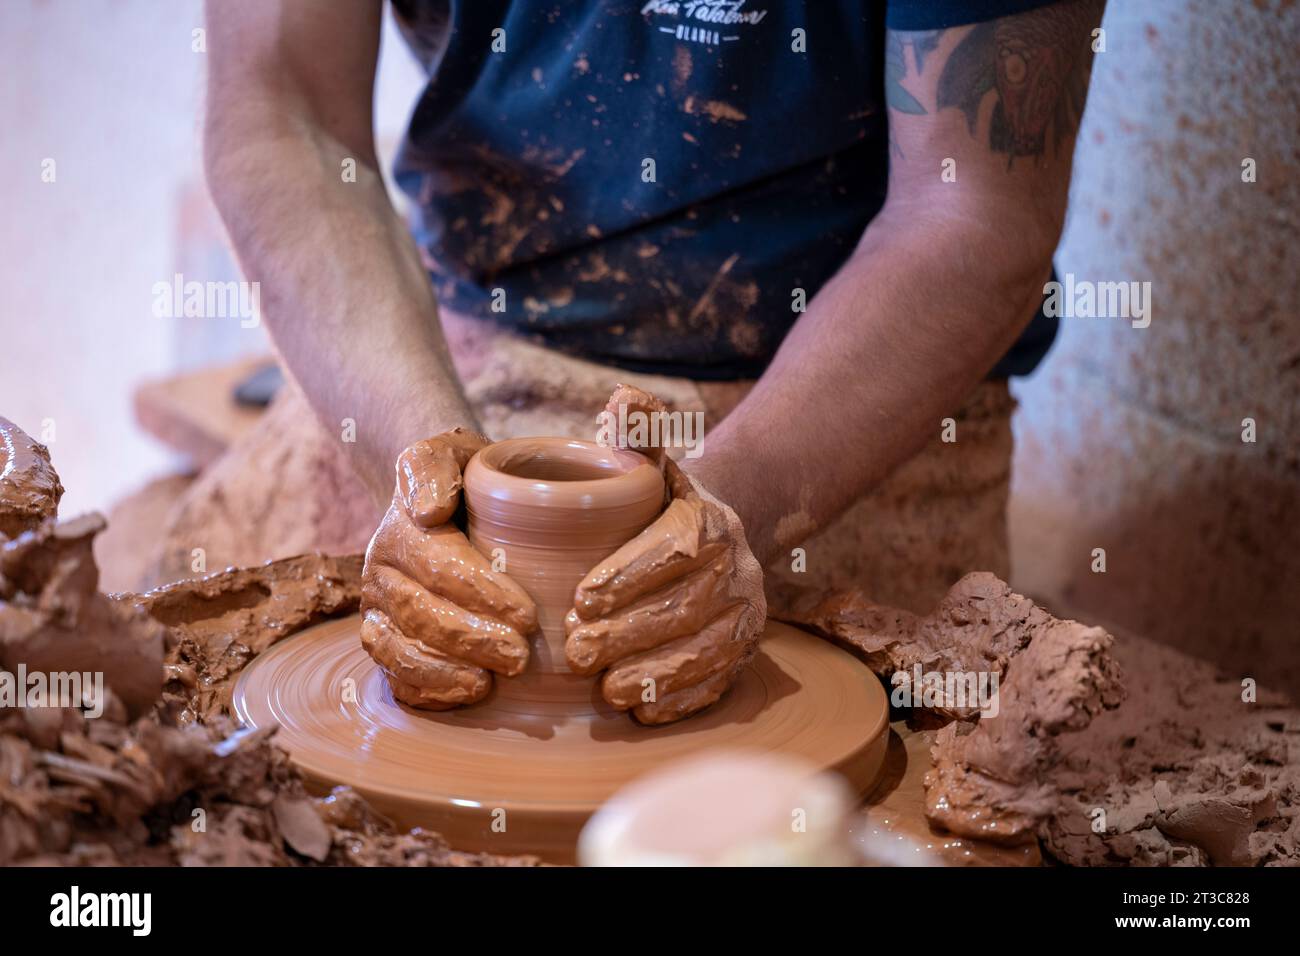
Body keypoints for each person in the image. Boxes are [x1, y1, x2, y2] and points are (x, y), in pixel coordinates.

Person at [201, 0, 1103, 720]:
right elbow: (287, 119)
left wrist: (738, 507)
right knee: (199, 703)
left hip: (845, 413)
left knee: (912, 774)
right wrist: (414, 463)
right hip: (437, 359)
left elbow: (968, 214)